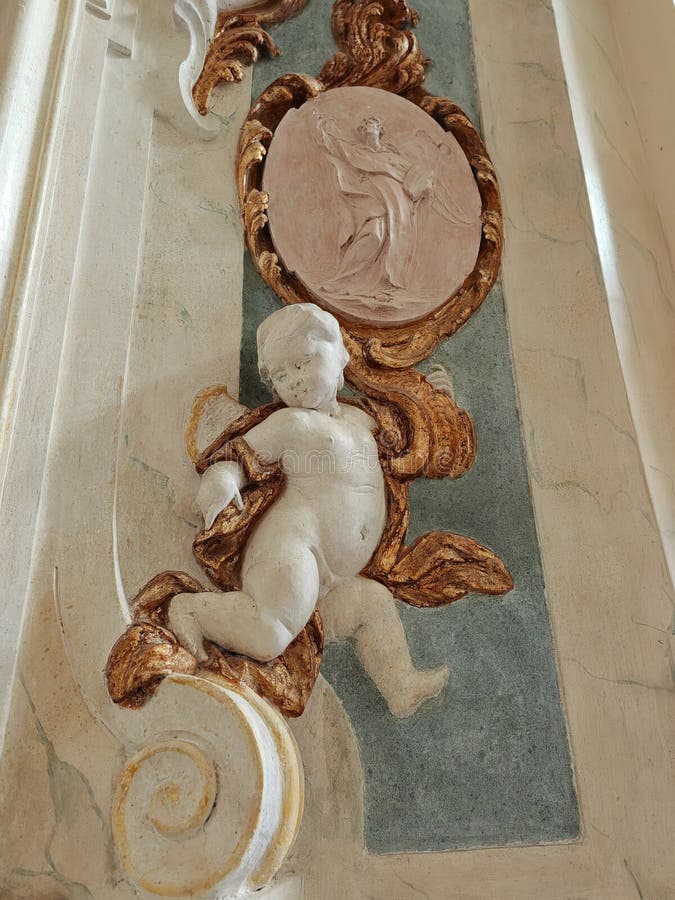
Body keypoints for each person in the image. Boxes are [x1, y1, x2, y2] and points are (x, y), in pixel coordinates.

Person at [169, 303, 448, 717]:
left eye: (303, 363)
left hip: (334, 578)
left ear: (342, 359)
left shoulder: (363, 421)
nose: (293, 381)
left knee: (373, 603)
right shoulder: (290, 425)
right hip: (292, 551)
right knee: (270, 631)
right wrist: (222, 482)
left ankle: (400, 686)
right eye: (281, 375)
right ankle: (191, 610)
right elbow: (238, 456)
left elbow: (410, 436)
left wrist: (434, 399)